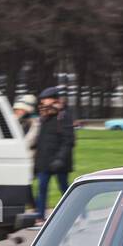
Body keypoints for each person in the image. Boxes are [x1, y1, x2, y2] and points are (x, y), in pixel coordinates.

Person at [33, 86, 75, 223]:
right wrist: (36, 162)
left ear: (54, 100)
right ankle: (40, 217)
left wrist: (60, 159)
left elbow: (68, 140)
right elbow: (40, 139)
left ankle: (80, 214)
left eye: (46, 99)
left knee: (64, 189)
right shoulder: (43, 116)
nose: (44, 102)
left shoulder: (63, 116)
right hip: (44, 161)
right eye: (43, 100)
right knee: (42, 188)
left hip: (59, 162)